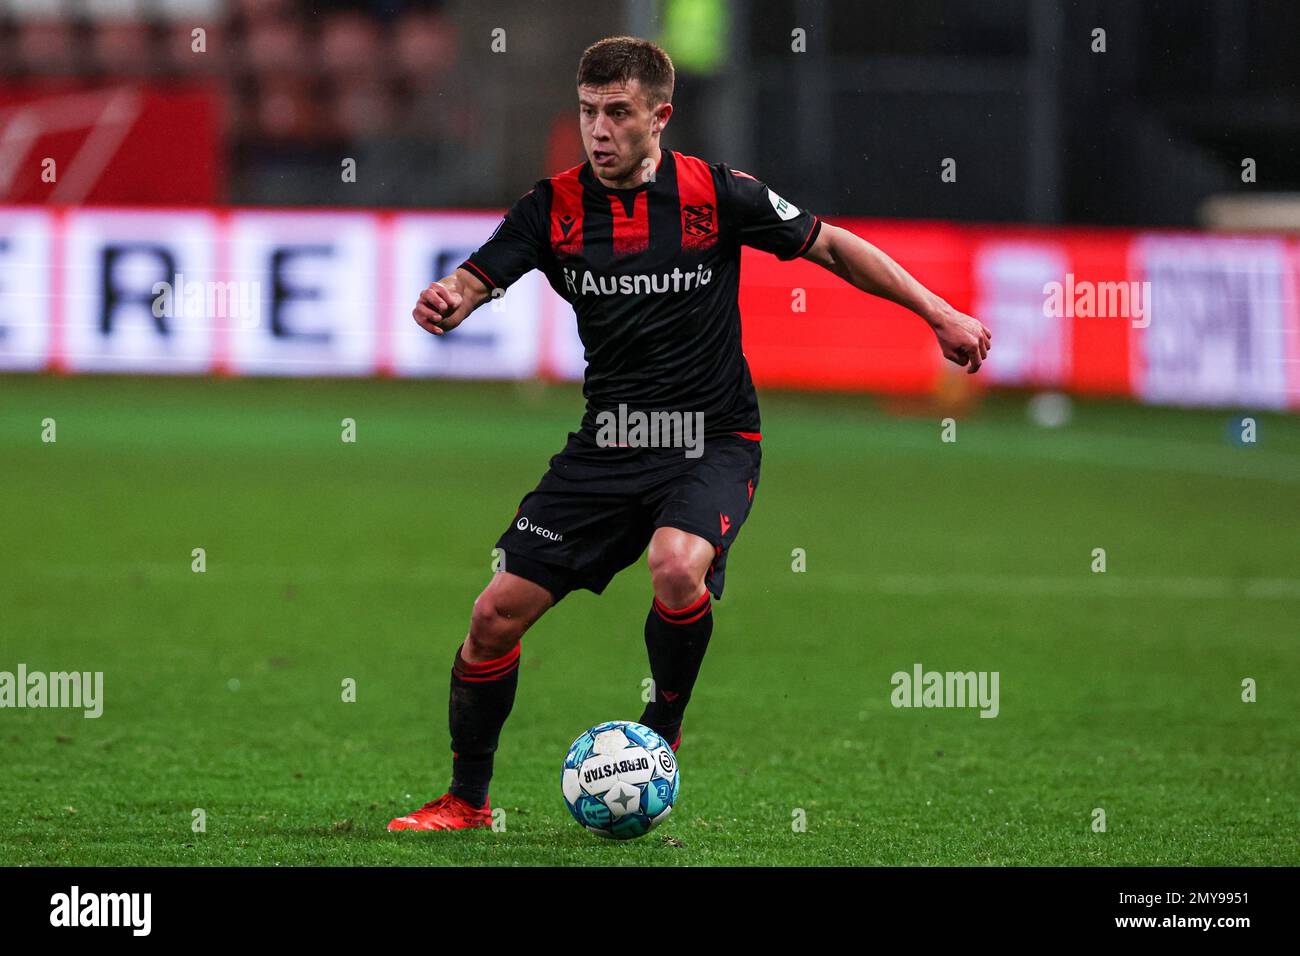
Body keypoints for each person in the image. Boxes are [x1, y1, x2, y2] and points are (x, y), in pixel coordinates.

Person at [389, 35, 990, 831]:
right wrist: (449, 300)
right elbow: (476, 275)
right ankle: (465, 801)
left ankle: (659, 737)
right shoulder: (553, 207)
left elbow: (833, 247)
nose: (597, 131)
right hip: (608, 445)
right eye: (587, 112)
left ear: (660, 116)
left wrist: (938, 313)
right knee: (493, 615)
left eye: (617, 113)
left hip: (714, 440)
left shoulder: (718, 194)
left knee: (677, 568)